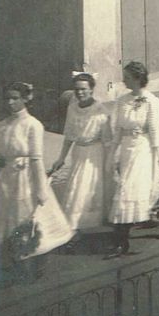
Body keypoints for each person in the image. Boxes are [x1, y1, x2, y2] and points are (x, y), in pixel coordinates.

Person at [0, 82, 73, 279]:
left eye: (15, 98)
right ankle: (14, 260)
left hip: (26, 179)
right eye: (8, 98)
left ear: (25, 99)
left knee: (30, 219)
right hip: (7, 180)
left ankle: (35, 263)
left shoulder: (33, 125)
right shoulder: (1, 126)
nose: (10, 102)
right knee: (6, 219)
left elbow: (36, 159)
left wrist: (41, 189)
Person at [107, 61, 159, 257]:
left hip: (143, 150)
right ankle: (123, 237)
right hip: (126, 149)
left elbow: (155, 130)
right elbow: (117, 130)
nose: (123, 79)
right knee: (125, 190)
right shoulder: (121, 100)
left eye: (126, 76)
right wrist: (112, 154)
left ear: (136, 78)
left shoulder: (151, 101)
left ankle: (121, 241)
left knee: (130, 191)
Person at [49, 72, 110, 235]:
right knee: (75, 185)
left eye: (84, 89)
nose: (80, 93)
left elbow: (107, 140)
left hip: (94, 154)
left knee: (86, 188)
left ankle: (82, 225)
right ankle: (76, 225)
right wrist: (61, 158)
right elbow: (69, 135)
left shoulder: (101, 111)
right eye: (77, 90)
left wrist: (109, 161)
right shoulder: (72, 108)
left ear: (92, 89)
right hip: (78, 153)